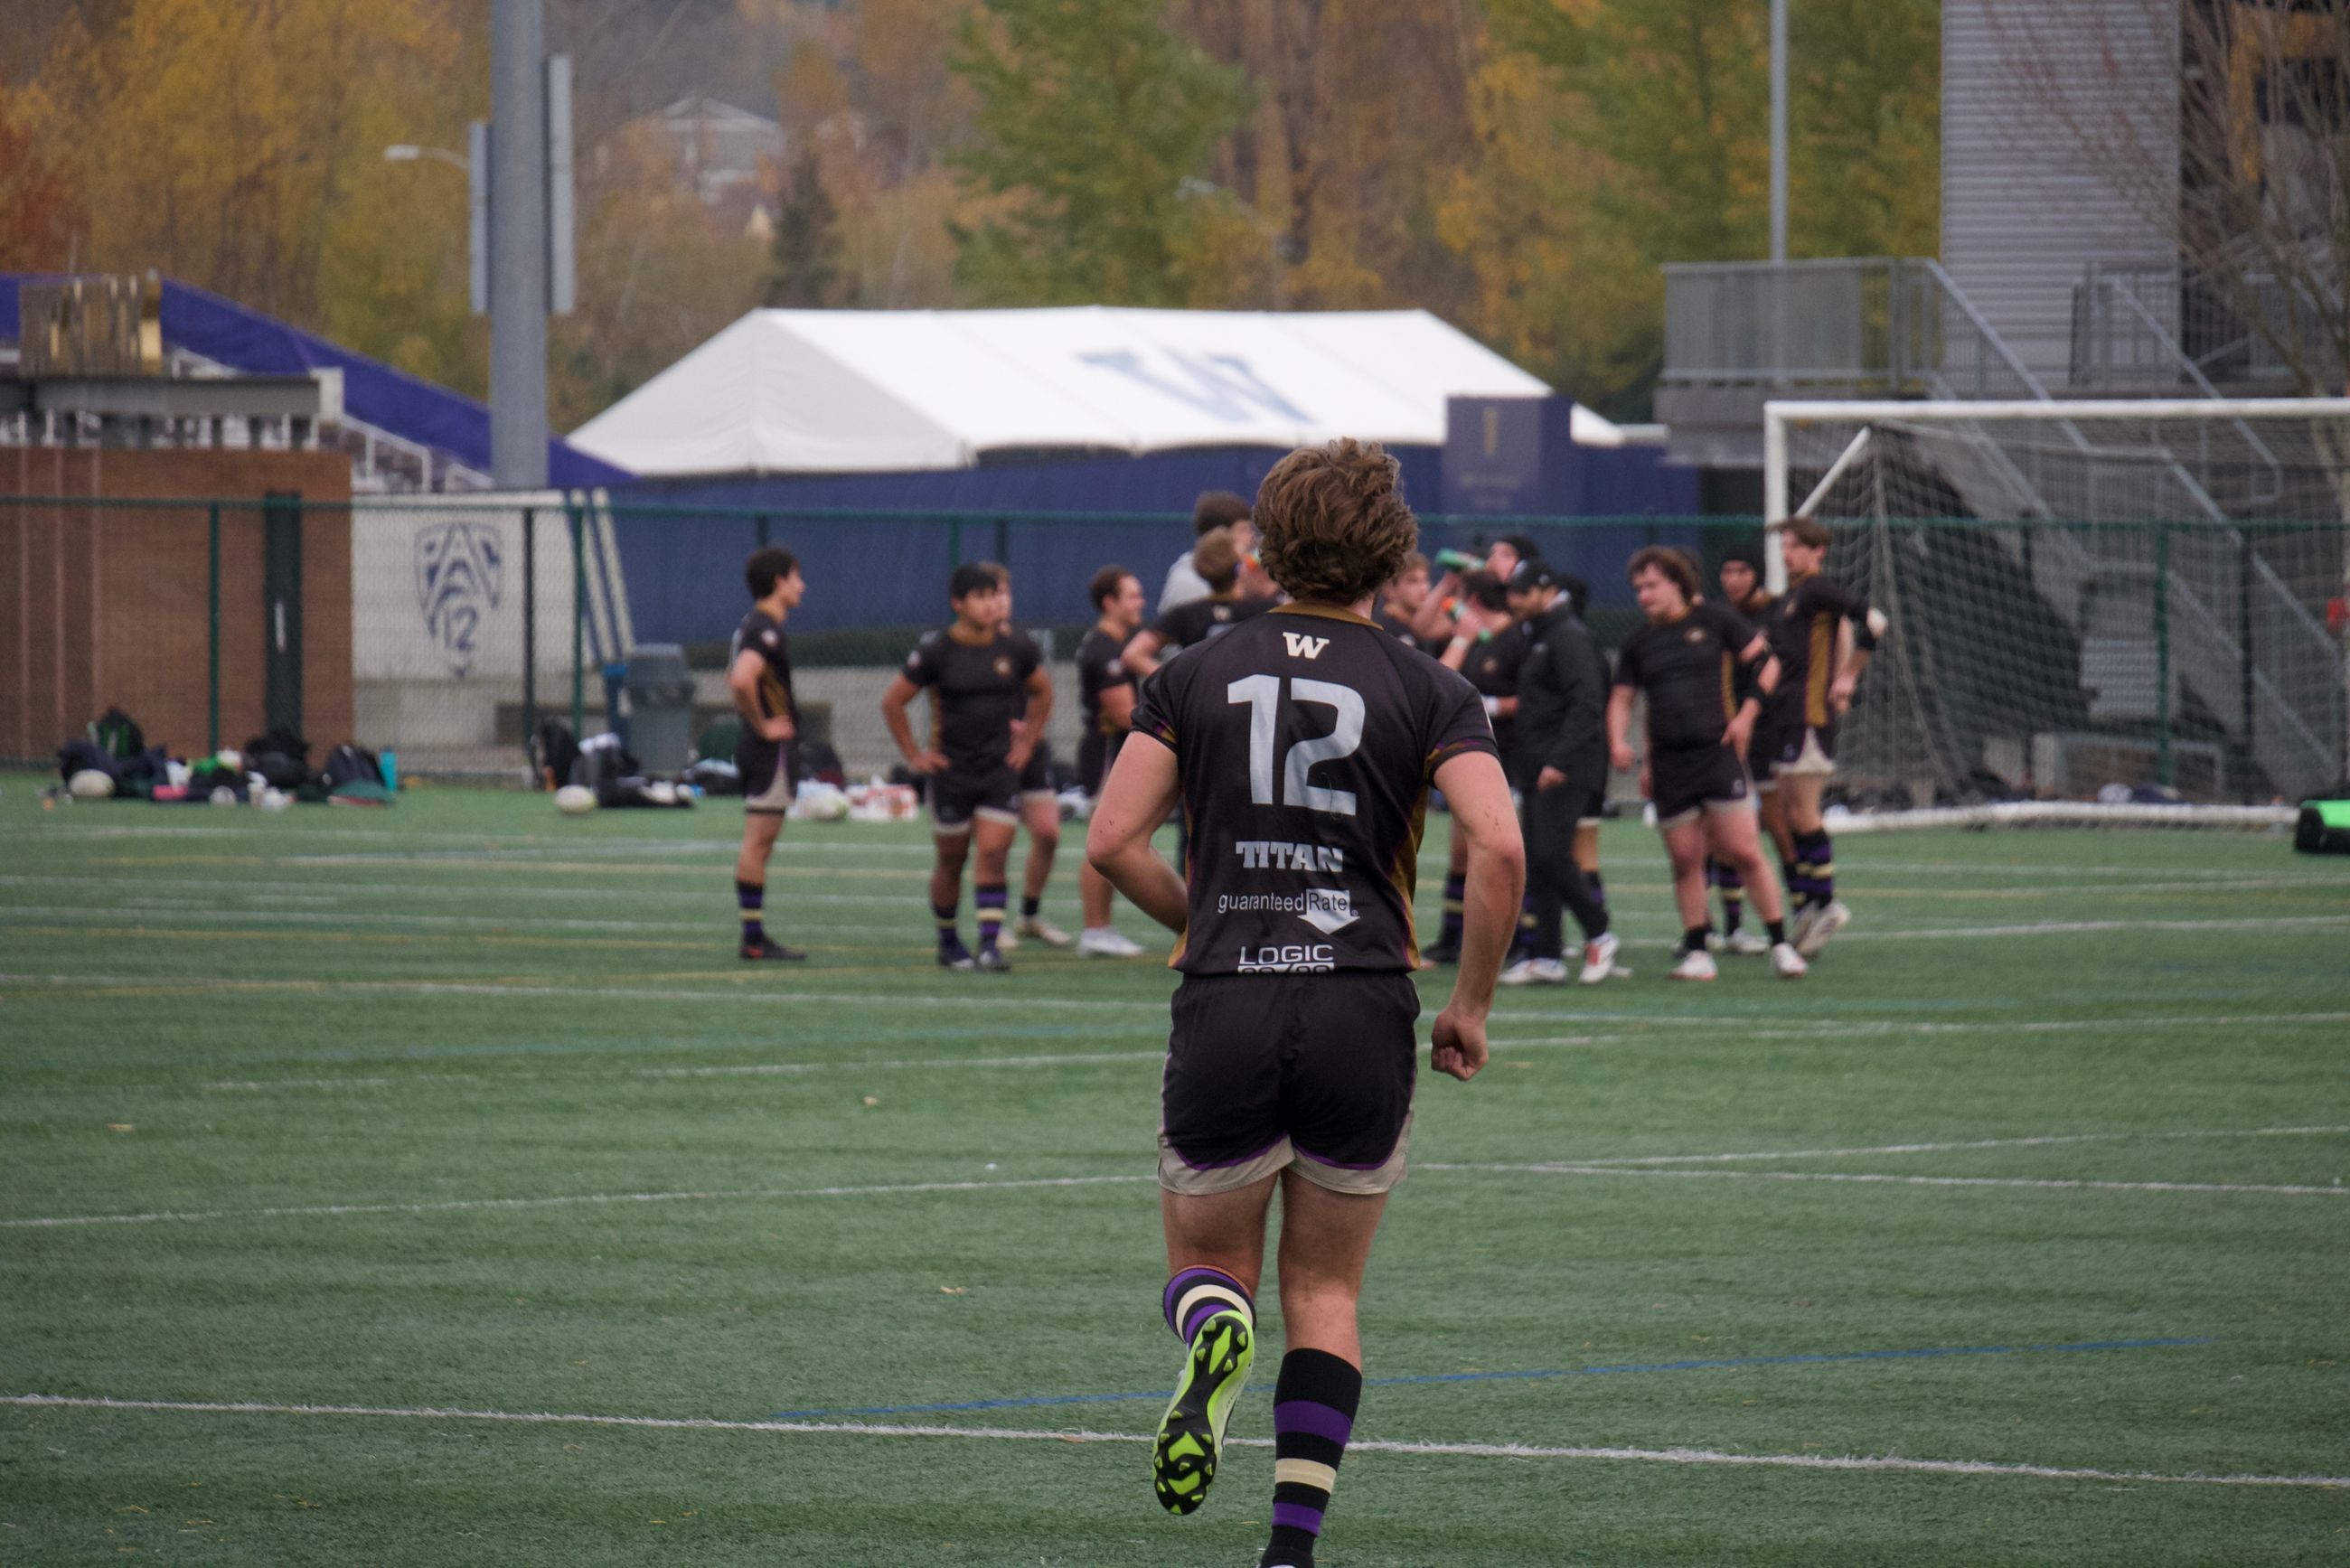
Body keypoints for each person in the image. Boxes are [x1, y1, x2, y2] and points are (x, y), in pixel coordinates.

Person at [1087, 437, 1524, 1568]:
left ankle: (1210, 1327)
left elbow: (1108, 840)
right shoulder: (1433, 685)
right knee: (1325, 1288)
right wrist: (1469, 1002)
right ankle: (1289, 1551)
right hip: (1360, 1006)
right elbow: (1499, 843)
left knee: (1206, 1264)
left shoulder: (1191, 670)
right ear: (1390, 552)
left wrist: (1200, 916)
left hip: (1229, 995)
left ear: (1264, 544)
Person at [1606, 545, 1807, 981]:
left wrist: (1747, 716)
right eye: (1638, 587)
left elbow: (1768, 665)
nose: (1644, 594)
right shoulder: (1639, 642)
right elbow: (1623, 698)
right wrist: (1620, 742)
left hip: (1716, 756)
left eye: (1652, 585)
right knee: (1684, 859)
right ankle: (1698, 950)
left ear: (1677, 583)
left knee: (1743, 850)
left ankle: (1781, 945)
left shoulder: (1716, 620)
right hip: (1670, 766)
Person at [878, 561, 1052, 972]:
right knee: (952, 859)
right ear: (959, 603)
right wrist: (915, 755)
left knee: (993, 853)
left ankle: (990, 945)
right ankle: (949, 940)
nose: (991, 604)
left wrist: (1027, 741)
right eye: (981, 596)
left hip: (998, 770)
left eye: (995, 595)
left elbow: (1043, 692)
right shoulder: (938, 652)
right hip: (950, 772)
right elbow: (893, 701)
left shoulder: (1016, 648)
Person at [1755, 516, 1884, 957]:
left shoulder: (1818, 589)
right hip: (1785, 717)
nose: (1787, 553)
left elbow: (1874, 623)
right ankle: (1812, 901)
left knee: (1804, 812)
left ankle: (1826, 902)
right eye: (1784, 546)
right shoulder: (1790, 599)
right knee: (1790, 816)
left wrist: (1847, 677)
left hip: (1811, 717)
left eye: (1795, 546)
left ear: (1817, 552)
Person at [1496, 558, 1622, 985]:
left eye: (1522, 592)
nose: (1514, 600)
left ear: (1546, 591)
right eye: (1511, 591)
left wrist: (1559, 761)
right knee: (1536, 861)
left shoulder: (1567, 636)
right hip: (1537, 764)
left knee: (1551, 853)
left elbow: (1587, 702)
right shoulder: (1540, 633)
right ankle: (1546, 955)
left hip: (1565, 767)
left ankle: (1599, 932)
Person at [1421, 570, 1522, 965]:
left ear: (1474, 600)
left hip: (1508, 758)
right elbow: (1425, 624)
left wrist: (1486, 706)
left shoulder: (1515, 638)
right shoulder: (1476, 639)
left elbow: (1529, 698)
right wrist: (1445, 587)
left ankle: (1518, 940)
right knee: (1461, 854)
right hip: (1472, 755)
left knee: (1501, 850)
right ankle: (1450, 939)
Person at [726, 546, 808, 962]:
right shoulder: (765, 629)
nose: (802, 585)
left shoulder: (752, 626)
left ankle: (754, 935)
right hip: (768, 749)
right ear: (778, 581)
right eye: (796, 577)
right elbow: (741, 680)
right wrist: (764, 726)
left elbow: (734, 676)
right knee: (758, 843)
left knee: (760, 842)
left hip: (761, 748)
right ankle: (753, 938)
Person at [1071, 566, 1149, 958]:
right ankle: (1095, 928)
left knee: (1120, 838)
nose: (1141, 602)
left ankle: (1102, 927)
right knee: (1105, 839)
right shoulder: (1103, 649)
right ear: (1110, 603)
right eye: (1132, 595)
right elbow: (1124, 714)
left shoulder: (1127, 642)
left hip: (1119, 750)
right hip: (1106, 752)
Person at [996, 572, 1072, 952]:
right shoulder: (960, 646)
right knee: (998, 839)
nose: (1001, 599)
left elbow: (1043, 694)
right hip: (990, 754)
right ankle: (990, 921)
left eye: (1005, 591)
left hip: (1027, 750)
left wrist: (1029, 732)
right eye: (993, 592)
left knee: (1048, 832)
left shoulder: (1020, 644)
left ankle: (1028, 915)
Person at [1707, 545, 1777, 956]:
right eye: (1727, 570)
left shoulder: (1773, 615)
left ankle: (1806, 910)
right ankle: (1725, 927)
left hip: (1766, 733)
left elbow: (1772, 667)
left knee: (1768, 830)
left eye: (1742, 570)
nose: (1733, 579)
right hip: (1720, 738)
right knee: (1715, 838)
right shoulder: (1715, 617)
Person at [1123, 527, 1280, 680]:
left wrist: (1178, 684)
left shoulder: (1186, 614)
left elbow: (1133, 655)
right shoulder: (1266, 610)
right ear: (1238, 566)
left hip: (1204, 701)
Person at [1159, 490, 1255, 613]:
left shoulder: (1240, 571)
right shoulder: (1189, 582)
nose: (1250, 536)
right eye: (1243, 530)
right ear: (1218, 536)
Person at [1374, 552, 1451, 654]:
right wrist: (1462, 641)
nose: (1424, 589)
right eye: (1413, 581)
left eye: (1425, 580)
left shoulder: (1427, 629)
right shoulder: (1383, 630)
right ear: (1389, 590)